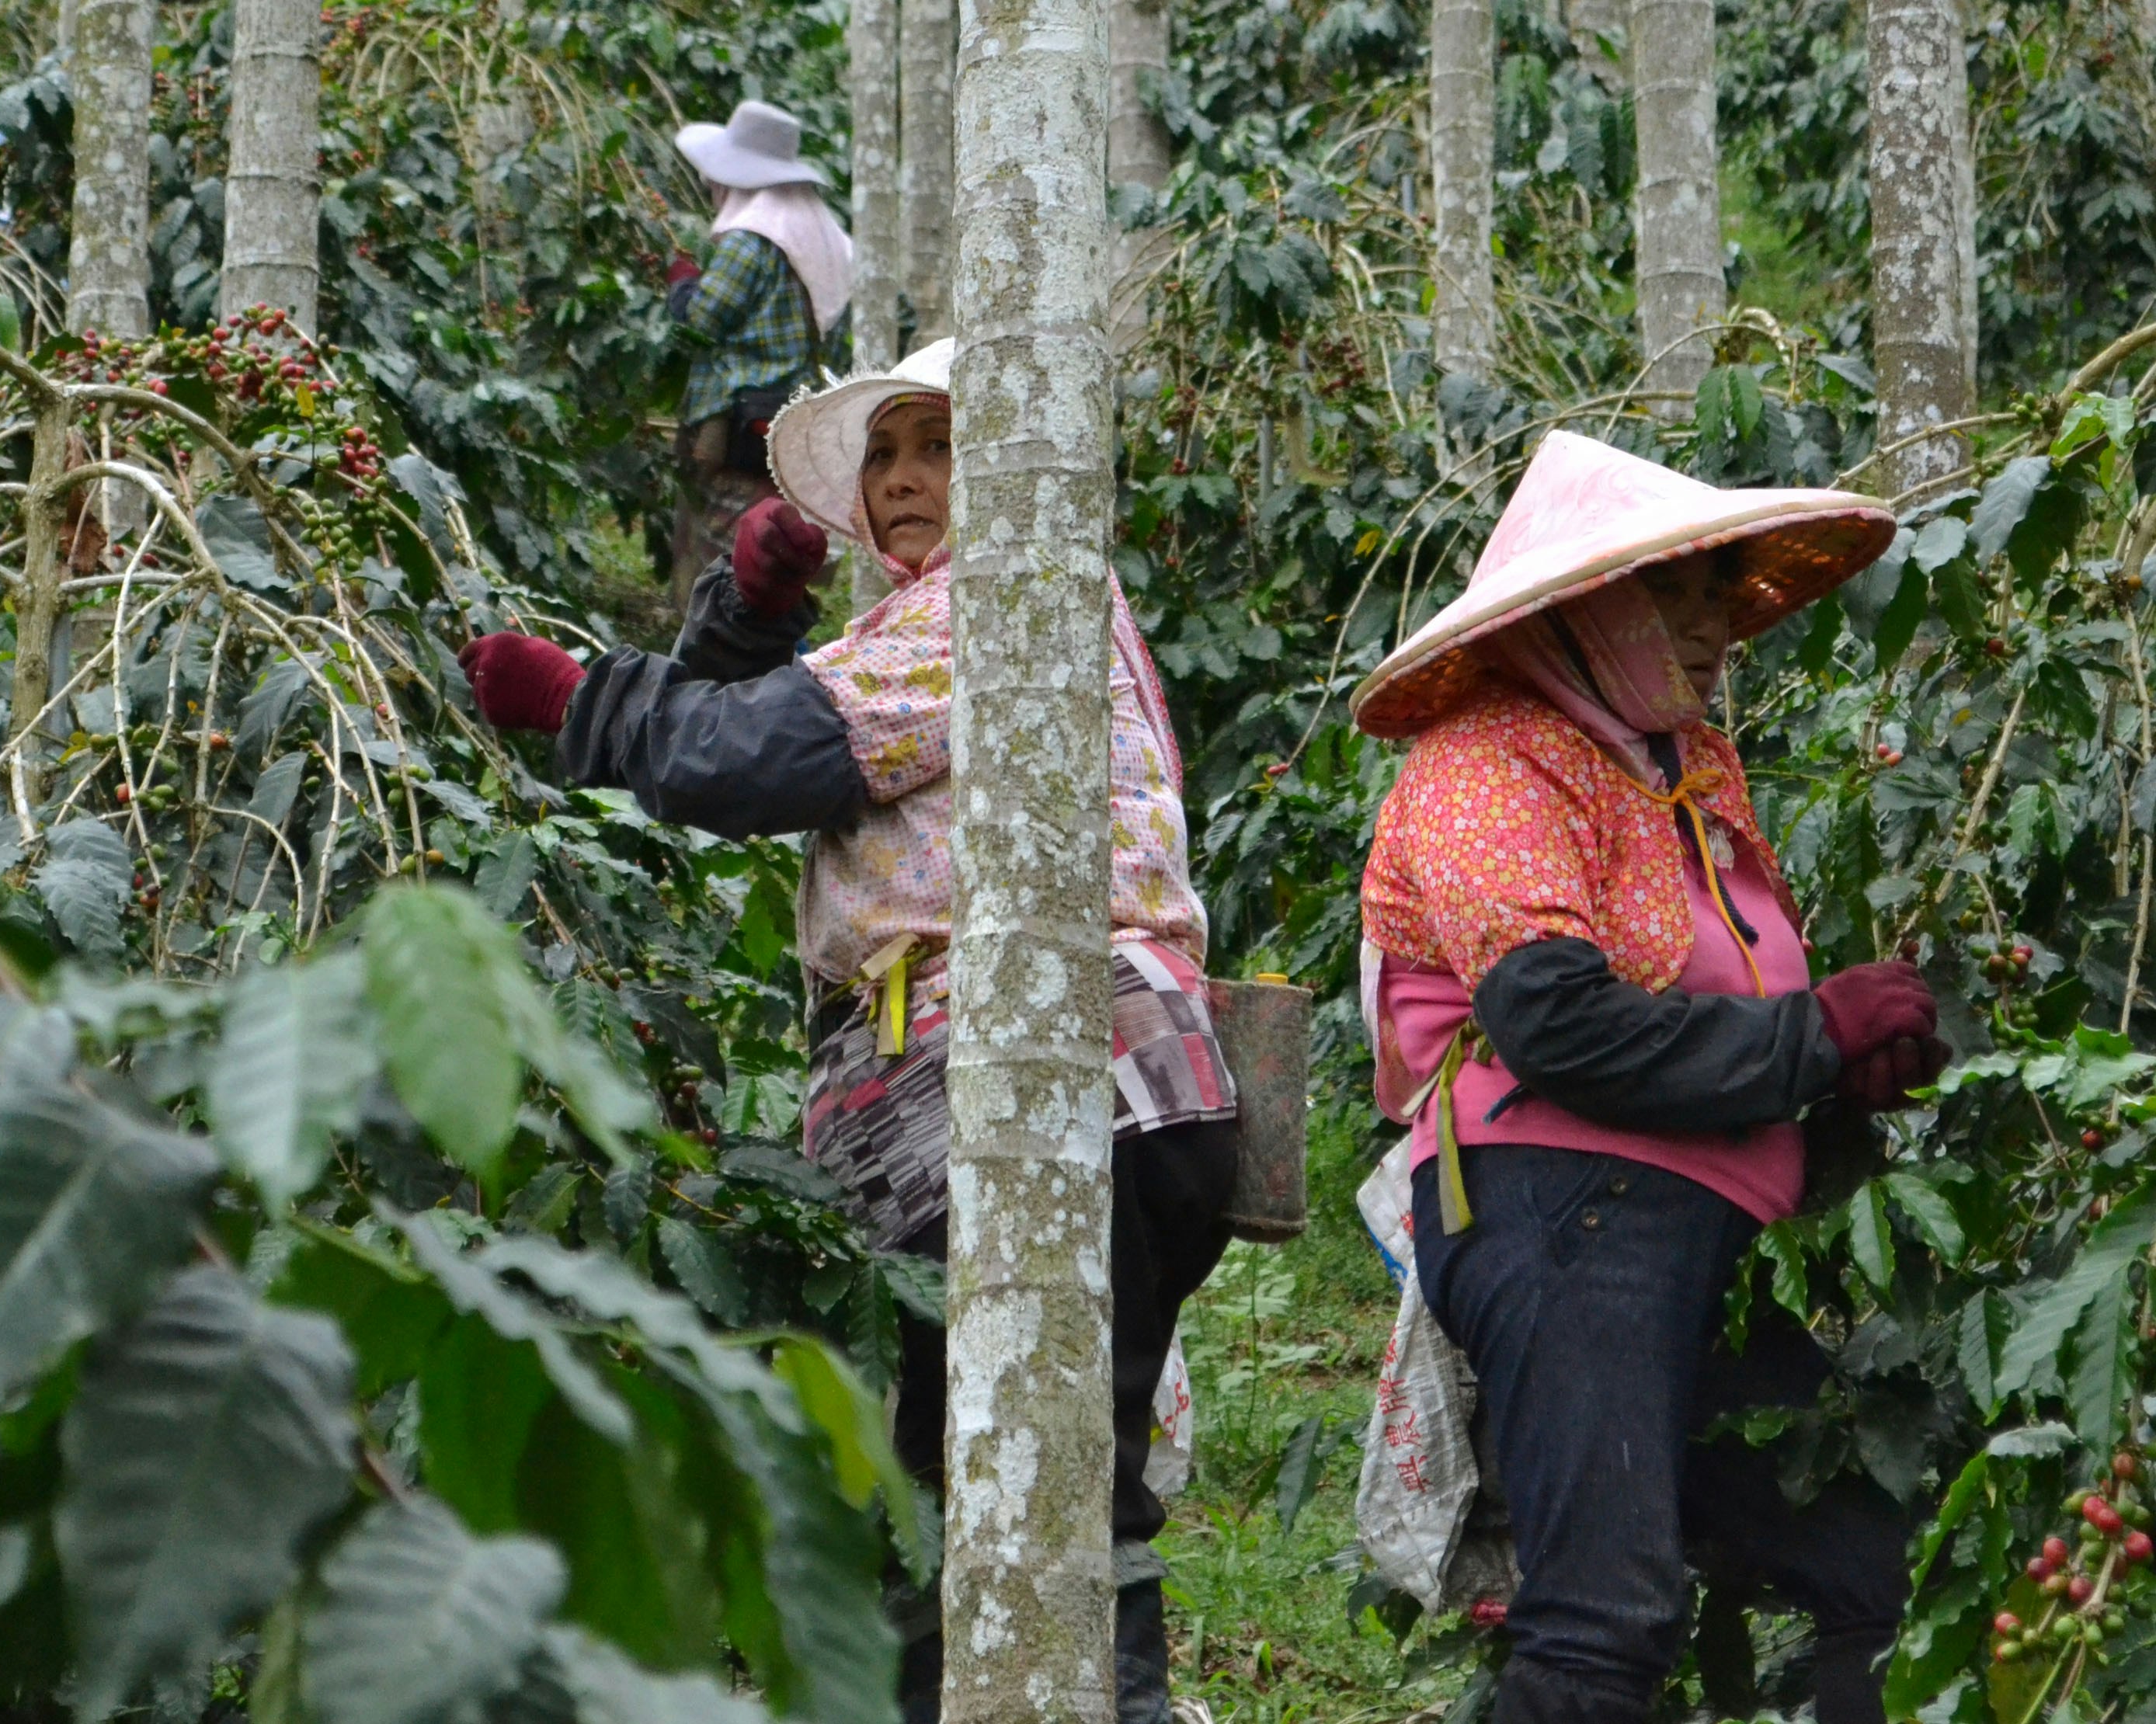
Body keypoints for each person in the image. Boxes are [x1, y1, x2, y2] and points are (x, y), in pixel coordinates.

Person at [457, 339, 1237, 1724]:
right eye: (882, 458)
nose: (901, 482)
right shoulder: (958, 624)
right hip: (1116, 1091)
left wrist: (583, 702)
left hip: (1036, 1090)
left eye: (936, 449)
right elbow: (765, 717)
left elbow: (748, 761)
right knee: (1029, 1482)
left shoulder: (1002, 603)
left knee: (988, 1499)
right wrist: (747, 619)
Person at [1351, 430, 1946, 1724]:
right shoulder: (1483, 760)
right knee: (1601, 1626)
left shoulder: (1684, 775)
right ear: (1578, 608)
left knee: (1885, 1577)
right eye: (1671, 590)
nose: (1710, 624)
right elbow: (1562, 1028)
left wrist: (1844, 1067)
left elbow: (1722, 1016)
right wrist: (1813, 1040)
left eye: (1718, 591)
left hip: (1706, 1237)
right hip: (1570, 1217)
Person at [664, 99, 853, 599]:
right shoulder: (825, 234)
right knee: (773, 551)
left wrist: (682, 285)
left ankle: (722, 652)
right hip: (796, 419)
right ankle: (781, 645)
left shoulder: (753, 237)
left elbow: (703, 322)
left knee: (725, 559)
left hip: (740, 424)